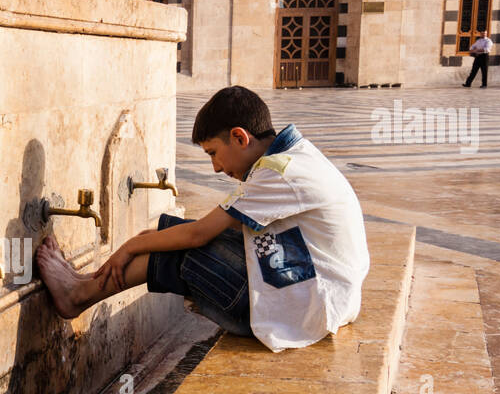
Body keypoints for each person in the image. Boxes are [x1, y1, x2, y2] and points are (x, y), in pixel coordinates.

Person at [34, 86, 370, 352]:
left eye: (213, 153)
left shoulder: (278, 172)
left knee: (180, 247)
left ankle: (77, 295)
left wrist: (130, 245)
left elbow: (198, 235)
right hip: (315, 295)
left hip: (302, 309)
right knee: (173, 235)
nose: (216, 168)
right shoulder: (291, 156)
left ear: (240, 137)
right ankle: (82, 285)